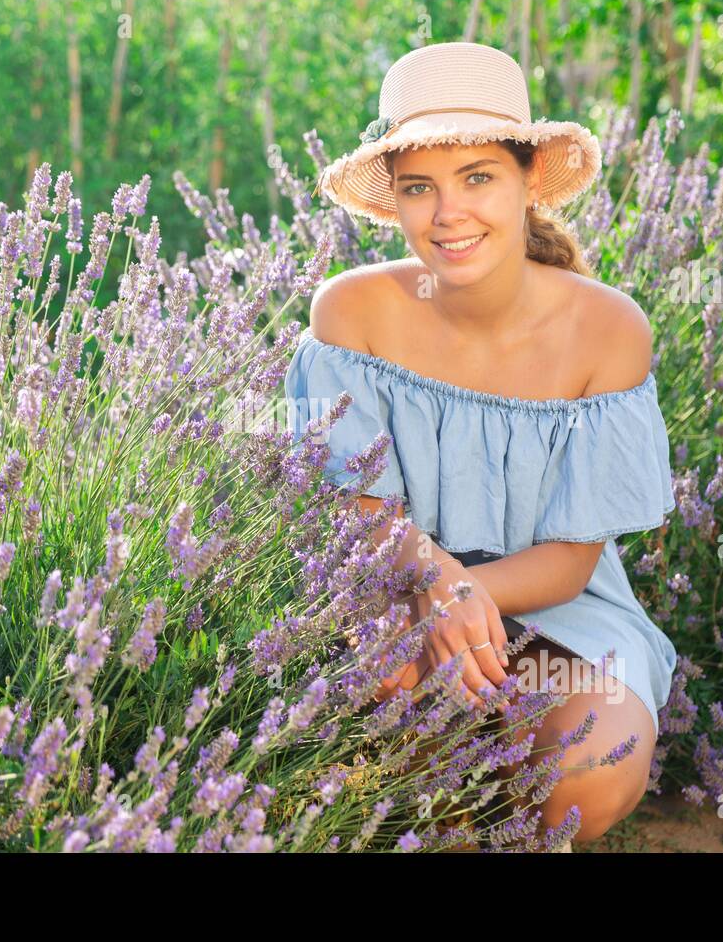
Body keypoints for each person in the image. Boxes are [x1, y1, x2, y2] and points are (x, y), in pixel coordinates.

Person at [285, 42, 678, 850]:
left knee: (598, 760)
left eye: (478, 178)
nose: (447, 215)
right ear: (391, 201)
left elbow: (571, 560)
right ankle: (435, 807)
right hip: (388, 589)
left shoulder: (607, 330)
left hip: (557, 613)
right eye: (419, 187)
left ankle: (505, 803)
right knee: (360, 704)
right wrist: (432, 585)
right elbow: (361, 516)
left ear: (530, 179)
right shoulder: (350, 316)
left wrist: (465, 598)